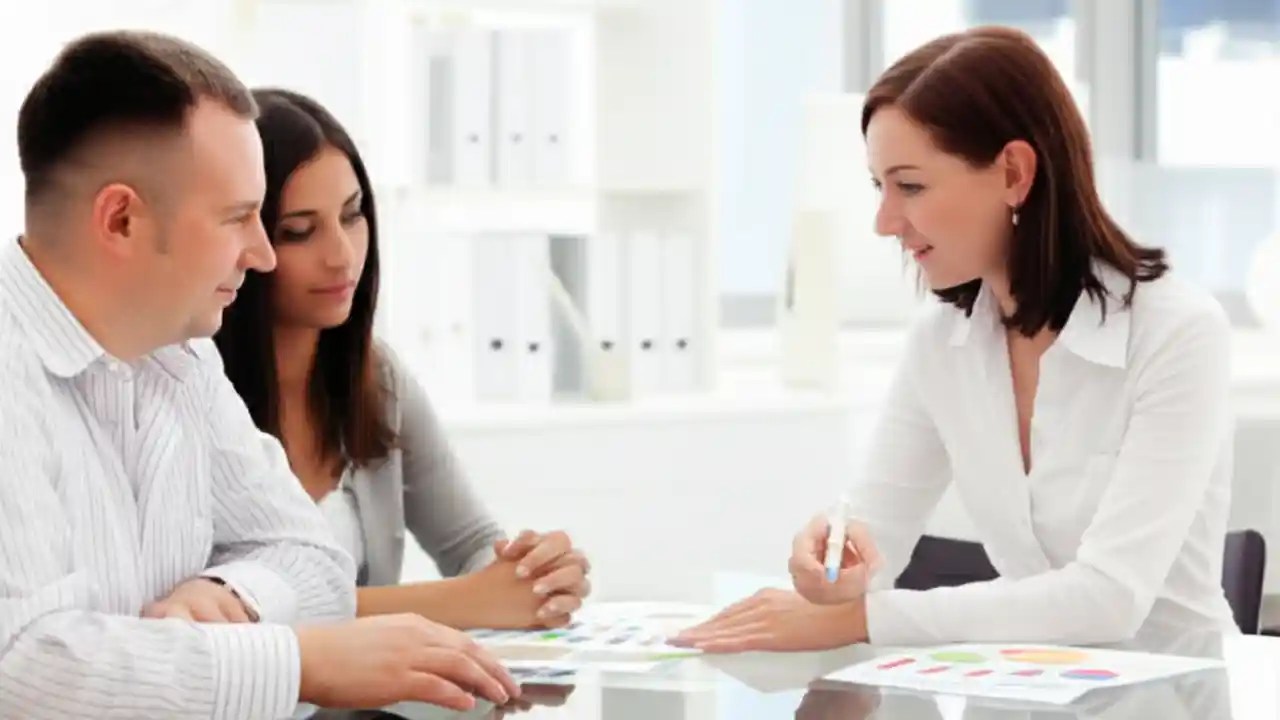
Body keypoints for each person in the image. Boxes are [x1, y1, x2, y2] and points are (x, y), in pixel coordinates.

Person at [0, 30, 518, 717]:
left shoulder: (180, 357)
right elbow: (23, 666)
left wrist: (232, 596)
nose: (262, 255)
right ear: (121, 219)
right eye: (239, 218)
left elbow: (311, 554)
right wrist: (302, 663)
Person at [673, 26, 1236, 652]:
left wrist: (861, 619)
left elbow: (1108, 599)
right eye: (880, 187)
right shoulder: (941, 342)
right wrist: (836, 561)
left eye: (910, 186)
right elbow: (875, 536)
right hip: (1031, 684)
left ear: (1014, 173)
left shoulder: (1178, 333)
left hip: (1176, 689)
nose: (885, 222)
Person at [213, 88, 592, 630]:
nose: (341, 255)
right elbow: (237, 617)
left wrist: (534, 577)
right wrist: (469, 600)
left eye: (352, 216)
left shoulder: (377, 377)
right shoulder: (189, 392)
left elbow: (471, 544)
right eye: (298, 232)